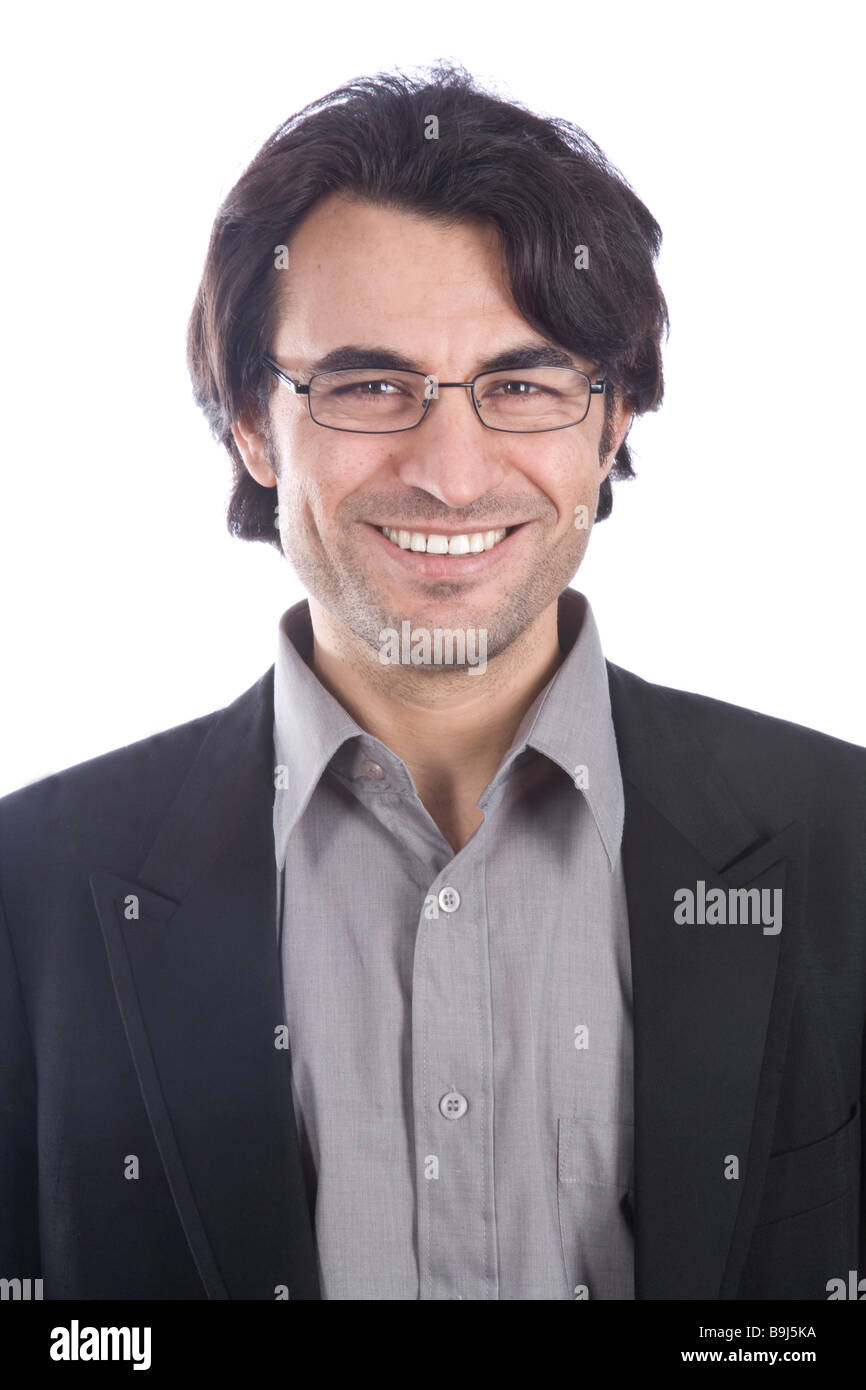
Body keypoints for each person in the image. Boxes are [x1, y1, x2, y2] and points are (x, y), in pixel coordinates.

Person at [1, 62, 863, 1302]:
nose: (451, 475)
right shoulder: (30, 892)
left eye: (520, 384)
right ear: (253, 421)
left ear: (609, 422)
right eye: (366, 386)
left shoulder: (845, 843)